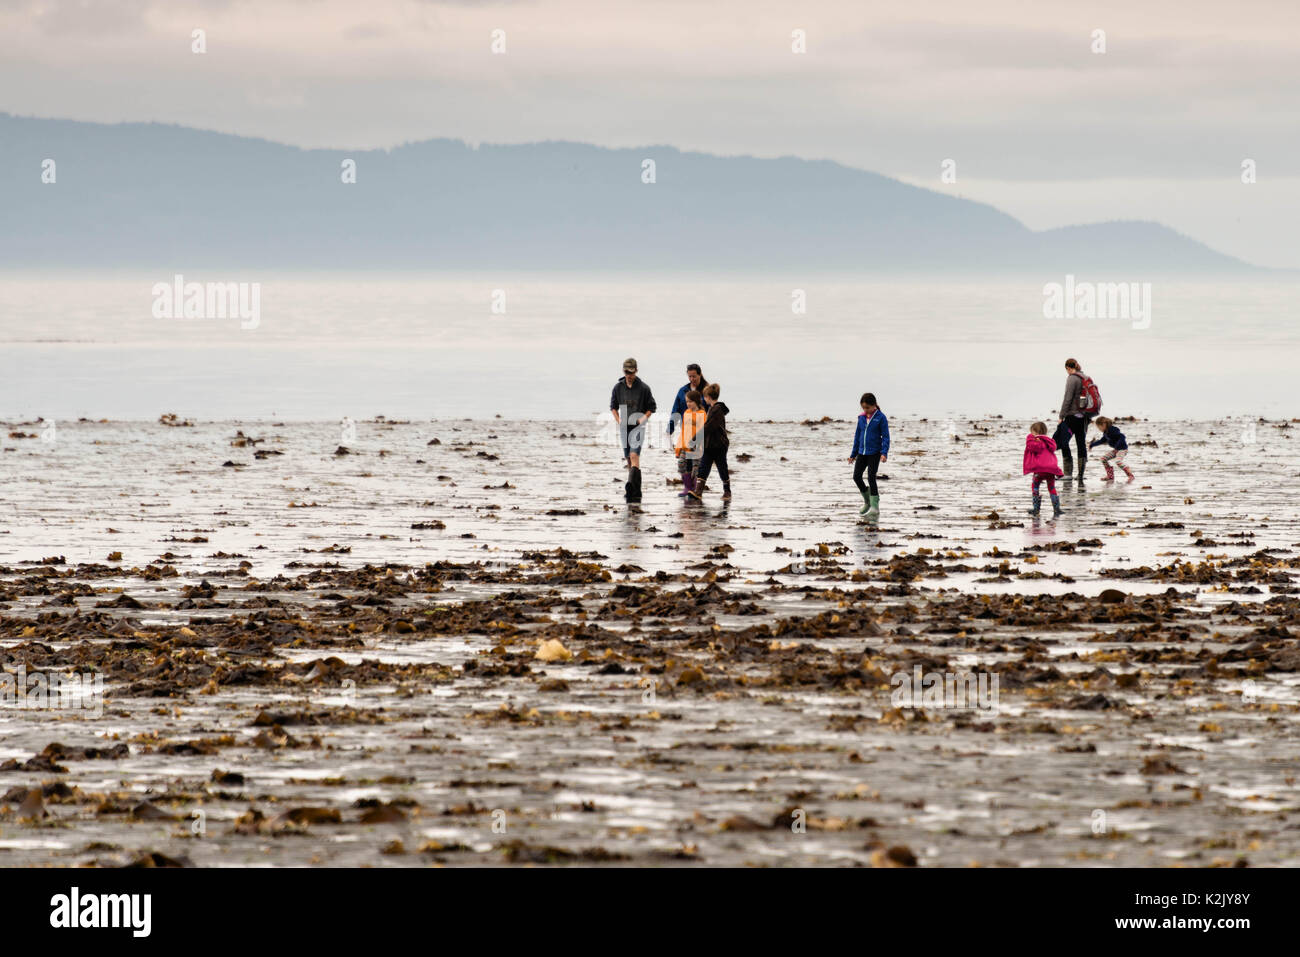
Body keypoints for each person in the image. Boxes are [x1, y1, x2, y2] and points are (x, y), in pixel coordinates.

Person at [609, 357, 656, 503]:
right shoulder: (618, 387)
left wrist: (643, 419)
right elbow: (613, 406)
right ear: (623, 371)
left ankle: (636, 489)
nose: (629, 375)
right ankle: (633, 490)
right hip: (624, 427)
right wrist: (618, 420)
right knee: (628, 458)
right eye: (626, 372)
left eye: (631, 372)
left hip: (638, 426)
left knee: (634, 455)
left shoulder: (644, 388)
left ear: (636, 371)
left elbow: (652, 407)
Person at [848, 392, 890, 520]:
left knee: (871, 477)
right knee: (856, 477)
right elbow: (857, 436)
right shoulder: (861, 418)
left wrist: (884, 453)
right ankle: (867, 502)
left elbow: (886, 437)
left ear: (874, 405)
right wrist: (853, 454)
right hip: (862, 452)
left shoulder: (880, 418)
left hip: (875, 453)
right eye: (863, 408)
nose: (865, 410)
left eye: (867, 408)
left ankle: (875, 507)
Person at [1058, 358, 1100, 482]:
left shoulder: (1072, 378)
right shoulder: (1084, 377)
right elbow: (1083, 398)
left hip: (1072, 416)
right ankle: (1080, 475)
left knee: (1062, 441)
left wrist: (1061, 416)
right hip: (1083, 417)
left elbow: (1068, 398)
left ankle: (1068, 474)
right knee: (1080, 444)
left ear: (1068, 368)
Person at [688, 382, 731, 501]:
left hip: (719, 445)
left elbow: (708, 427)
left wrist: (694, 439)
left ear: (708, 397)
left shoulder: (717, 409)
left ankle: (727, 492)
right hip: (709, 445)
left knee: (722, 467)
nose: (703, 399)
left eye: (704, 397)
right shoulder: (712, 409)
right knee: (703, 467)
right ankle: (698, 492)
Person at [1023, 421, 1065, 516]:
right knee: (1051, 487)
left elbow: (1031, 447)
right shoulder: (1049, 441)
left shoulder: (1034, 441)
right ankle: (1057, 509)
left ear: (1034, 431)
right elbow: (1054, 448)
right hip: (1051, 469)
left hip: (1040, 469)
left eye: (1031, 432)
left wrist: (1030, 437)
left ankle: (1036, 509)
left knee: (1035, 486)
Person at [675, 390, 706, 497]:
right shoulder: (686, 413)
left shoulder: (702, 414)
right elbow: (683, 430)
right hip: (685, 445)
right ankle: (687, 487)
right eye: (687, 401)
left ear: (697, 401)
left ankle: (695, 489)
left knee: (696, 468)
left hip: (697, 446)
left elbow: (703, 431)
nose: (688, 404)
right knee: (681, 464)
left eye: (691, 401)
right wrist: (679, 446)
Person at [1089, 416, 1134, 482]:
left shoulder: (1113, 430)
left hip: (1122, 449)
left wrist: (1117, 446)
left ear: (1104, 424)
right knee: (1103, 459)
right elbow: (1101, 441)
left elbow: (1122, 436)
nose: (1099, 429)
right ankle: (1110, 476)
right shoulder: (1105, 433)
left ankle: (1130, 475)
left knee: (1118, 461)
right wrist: (1092, 445)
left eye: (1099, 427)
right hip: (1116, 450)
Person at [667, 364, 708, 437]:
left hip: (703, 433)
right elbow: (675, 413)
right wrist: (669, 431)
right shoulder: (682, 391)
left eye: (694, 376)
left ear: (700, 375)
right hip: (686, 432)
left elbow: (712, 413)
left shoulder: (707, 390)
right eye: (690, 376)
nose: (692, 379)